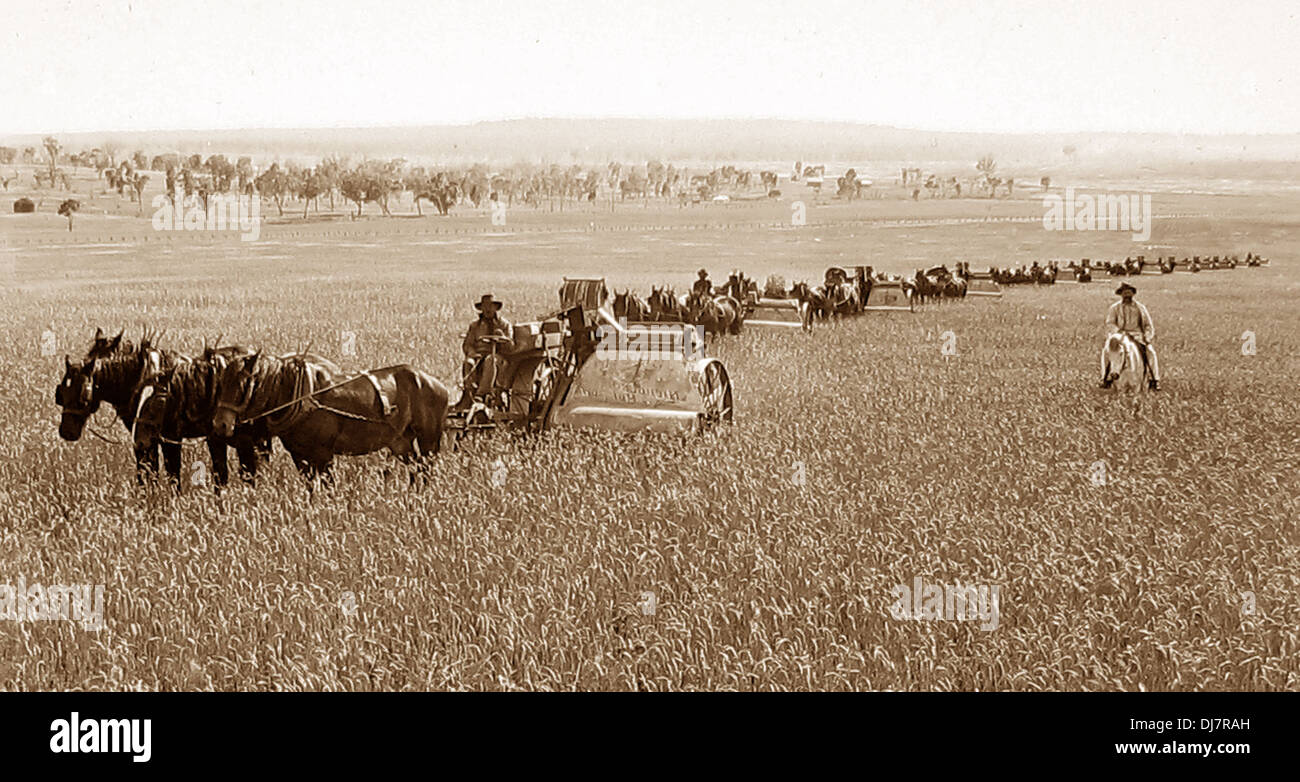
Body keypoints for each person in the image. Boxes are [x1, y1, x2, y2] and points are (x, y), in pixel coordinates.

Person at [453, 294, 513, 411]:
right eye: (485, 306)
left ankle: (481, 395)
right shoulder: (475, 326)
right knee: (468, 363)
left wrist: (502, 337)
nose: (488, 309)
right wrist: (472, 353)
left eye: (490, 306)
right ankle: (468, 395)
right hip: (478, 356)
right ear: (481, 309)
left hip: (499, 358)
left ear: (495, 308)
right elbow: (467, 344)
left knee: (491, 360)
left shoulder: (504, 325)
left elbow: (511, 347)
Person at [1102, 282, 1160, 390]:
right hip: (1119, 335)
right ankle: (1105, 378)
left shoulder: (1141, 308)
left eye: (1129, 293)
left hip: (1137, 335)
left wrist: (1147, 337)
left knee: (1151, 352)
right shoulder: (1114, 308)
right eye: (1124, 293)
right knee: (1106, 351)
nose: (1127, 295)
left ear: (1133, 294)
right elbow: (1110, 323)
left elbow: (1148, 324)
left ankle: (1154, 379)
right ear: (1121, 295)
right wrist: (1118, 331)